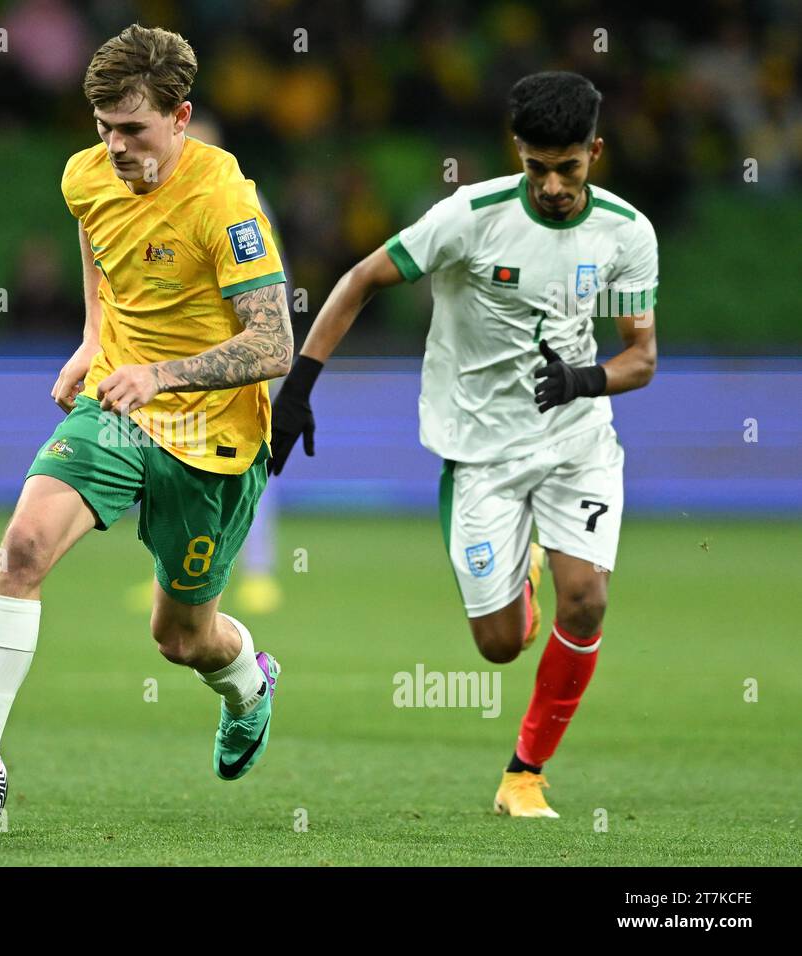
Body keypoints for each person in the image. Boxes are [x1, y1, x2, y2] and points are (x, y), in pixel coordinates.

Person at [270, 72, 659, 817]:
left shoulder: (625, 231)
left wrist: (583, 381)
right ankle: (525, 570)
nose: (550, 184)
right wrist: (298, 387)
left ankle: (524, 775)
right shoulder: (469, 216)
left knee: (588, 603)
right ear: (517, 153)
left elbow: (640, 356)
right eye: (535, 165)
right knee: (499, 645)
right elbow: (358, 281)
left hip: (576, 439)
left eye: (567, 167)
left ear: (595, 152)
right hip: (479, 449)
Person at [0, 24, 292, 780]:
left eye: (133, 129)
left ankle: (248, 685)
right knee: (22, 549)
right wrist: (92, 334)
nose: (114, 146)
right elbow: (98, 243)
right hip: (117, 407)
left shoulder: (225, 204)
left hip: (213, 439)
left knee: (180, 639)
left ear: (180, 117)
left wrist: (162, 374)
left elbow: (274, 345)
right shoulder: (86, 174)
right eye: (104, 127)